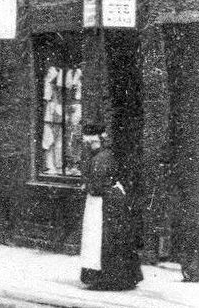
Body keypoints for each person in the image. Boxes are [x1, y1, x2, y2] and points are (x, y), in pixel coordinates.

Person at [79, 123, 142, 291]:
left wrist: (88, 186)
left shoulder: (101, 158)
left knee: (104, 239)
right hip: (108, 201)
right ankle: (120, 277)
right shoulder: (102, 155)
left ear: (97, 139)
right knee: (112, 239)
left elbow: (98, 185)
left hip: (104, 204)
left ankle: (108, 278)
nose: (88, 143)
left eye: (90, 140)